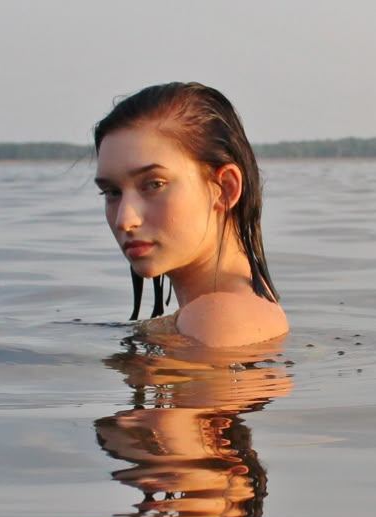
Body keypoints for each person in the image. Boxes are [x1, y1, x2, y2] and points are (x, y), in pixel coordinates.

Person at [94, 82, 288, 348]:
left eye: (154, 184)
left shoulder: (220, 319)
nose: (124, 220)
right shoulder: (232, 312)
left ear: (224, 189)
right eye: (112, 192)